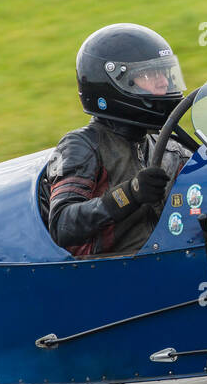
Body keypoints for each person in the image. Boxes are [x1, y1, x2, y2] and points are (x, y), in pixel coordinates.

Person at [44, 23, 191, 257]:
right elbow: (62, 225)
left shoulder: (172, 149)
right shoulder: (83, 146)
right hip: (119, 274)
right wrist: (129, 194)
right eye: (149, 74)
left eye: (164, 72)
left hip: (177, 257)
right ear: (114, 85)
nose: (164, 82)